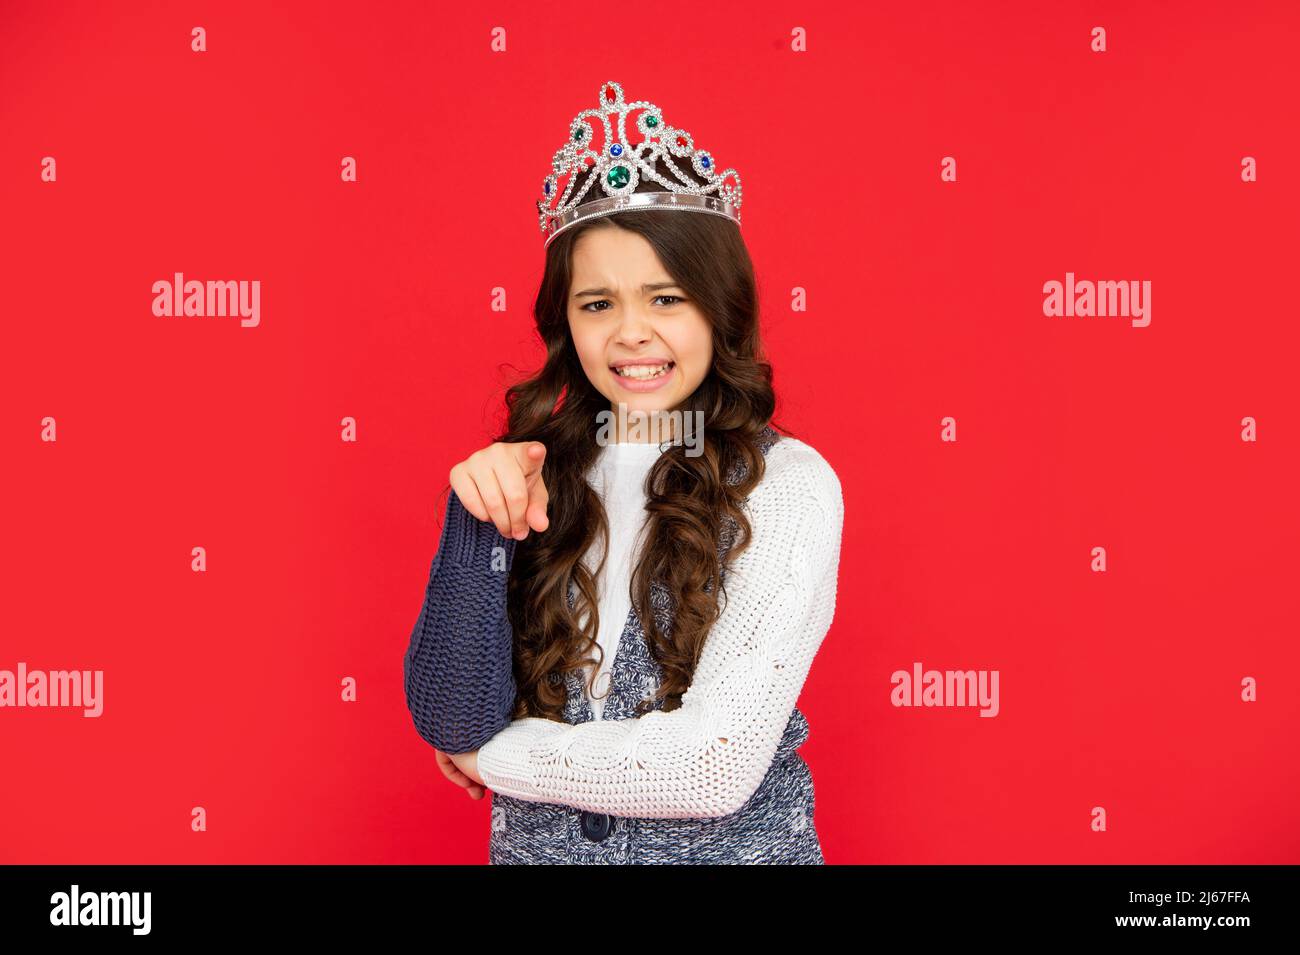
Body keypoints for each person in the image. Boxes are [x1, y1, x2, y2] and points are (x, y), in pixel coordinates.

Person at [403, 80, 844, 863]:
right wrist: (478, 517)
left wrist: (502, 761)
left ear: (720, 308)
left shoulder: (789, 485)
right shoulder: (539, 471)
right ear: (564, 321)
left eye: (667, 297)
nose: (632, 334)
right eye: (598, 304)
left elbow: (714, 764)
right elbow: (450, 718)